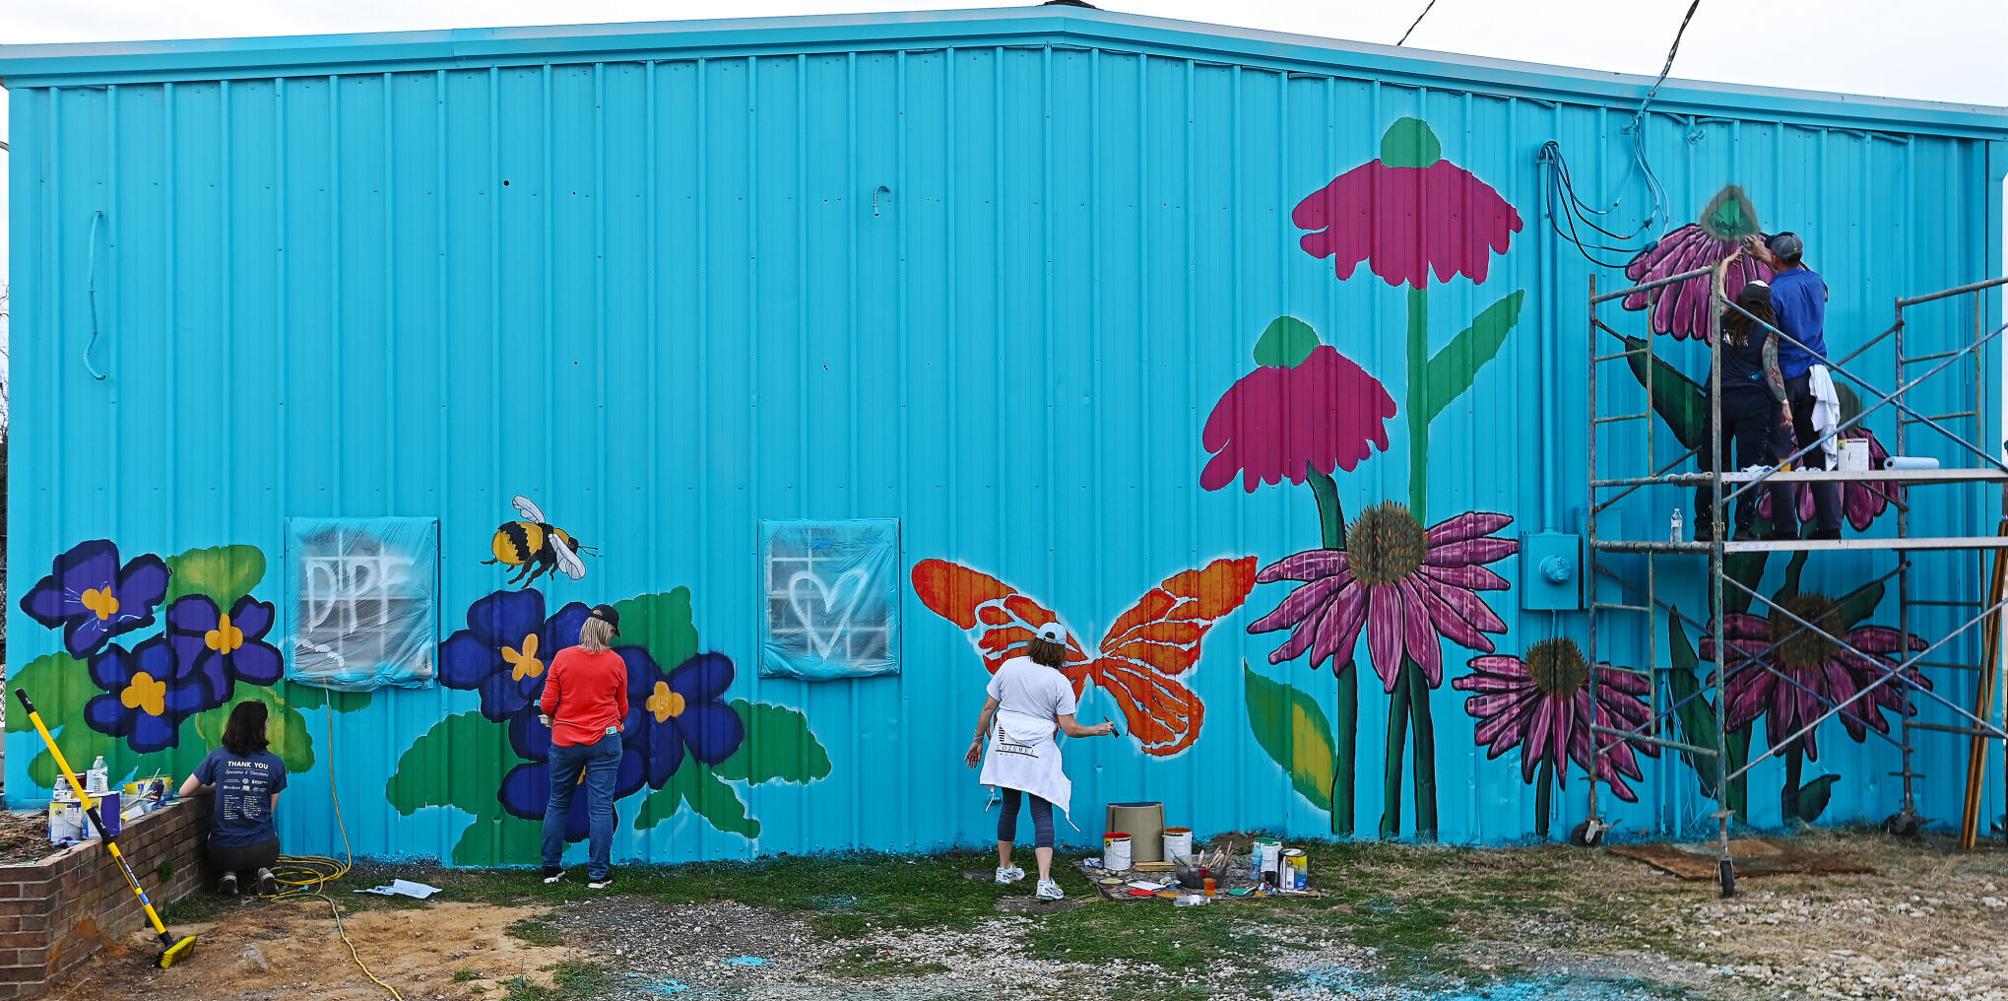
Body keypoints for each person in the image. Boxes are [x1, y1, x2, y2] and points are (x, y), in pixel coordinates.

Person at [964, 622, 1116, 902]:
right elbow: (1069, 728)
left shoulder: (1010, 666)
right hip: (1036, 753)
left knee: (1010, 805)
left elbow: (988, 707)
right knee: (1041, 810)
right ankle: (1044, 882)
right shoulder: (1059, 682)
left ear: (1033, 642)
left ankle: (1004, 868)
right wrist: (1098, 729)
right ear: (1061, 650)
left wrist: (977, 740)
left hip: (1005, 746)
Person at [1749, 231, 1843, 539]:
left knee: (1779, 453)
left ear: (1775, 259)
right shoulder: (1815, 282)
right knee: (1817, 451)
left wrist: (1781, 400)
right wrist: (1773, 259)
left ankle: (1786, 528)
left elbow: (1769, 349)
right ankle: (1830, 527)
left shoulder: (1773, 293)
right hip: (1816, 378)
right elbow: (1813, 279)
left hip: (1787, 380)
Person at [1694, 278, 1798, 541]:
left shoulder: (1723, 320)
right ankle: (1743, 528)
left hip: (1719, 400)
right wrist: (1784, 404)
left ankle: (1705, 526)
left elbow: (1715, 290)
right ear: (1766, 304)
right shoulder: (1767, 328)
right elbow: (1772, 370)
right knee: (1749, 468)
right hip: (1752, 403)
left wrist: (1727, 263)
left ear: (1741, 299)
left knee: (1712, 465)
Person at [539, 604, 628, 889]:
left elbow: (547, 704)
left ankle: (551, 869)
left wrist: (556, 716)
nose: (614, 637)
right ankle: (598, 875)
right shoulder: (616, 663)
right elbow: (622, 707)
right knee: (600, 808)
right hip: (605, 739)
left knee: (558, 802)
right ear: (607, 630)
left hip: (565, 740)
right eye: (614, 632)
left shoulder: (563, 658)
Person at [179, 701, 287, 896]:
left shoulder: (217, 757)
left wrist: (216, 784)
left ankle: (228, 875)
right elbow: (269, 811)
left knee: (221, 842)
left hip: (223, 851)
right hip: (264, 849)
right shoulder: (275, 763)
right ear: (259, 727)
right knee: (265, 830)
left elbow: (184, 791)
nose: (268, 726)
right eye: (267, 722)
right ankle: (263, 871)